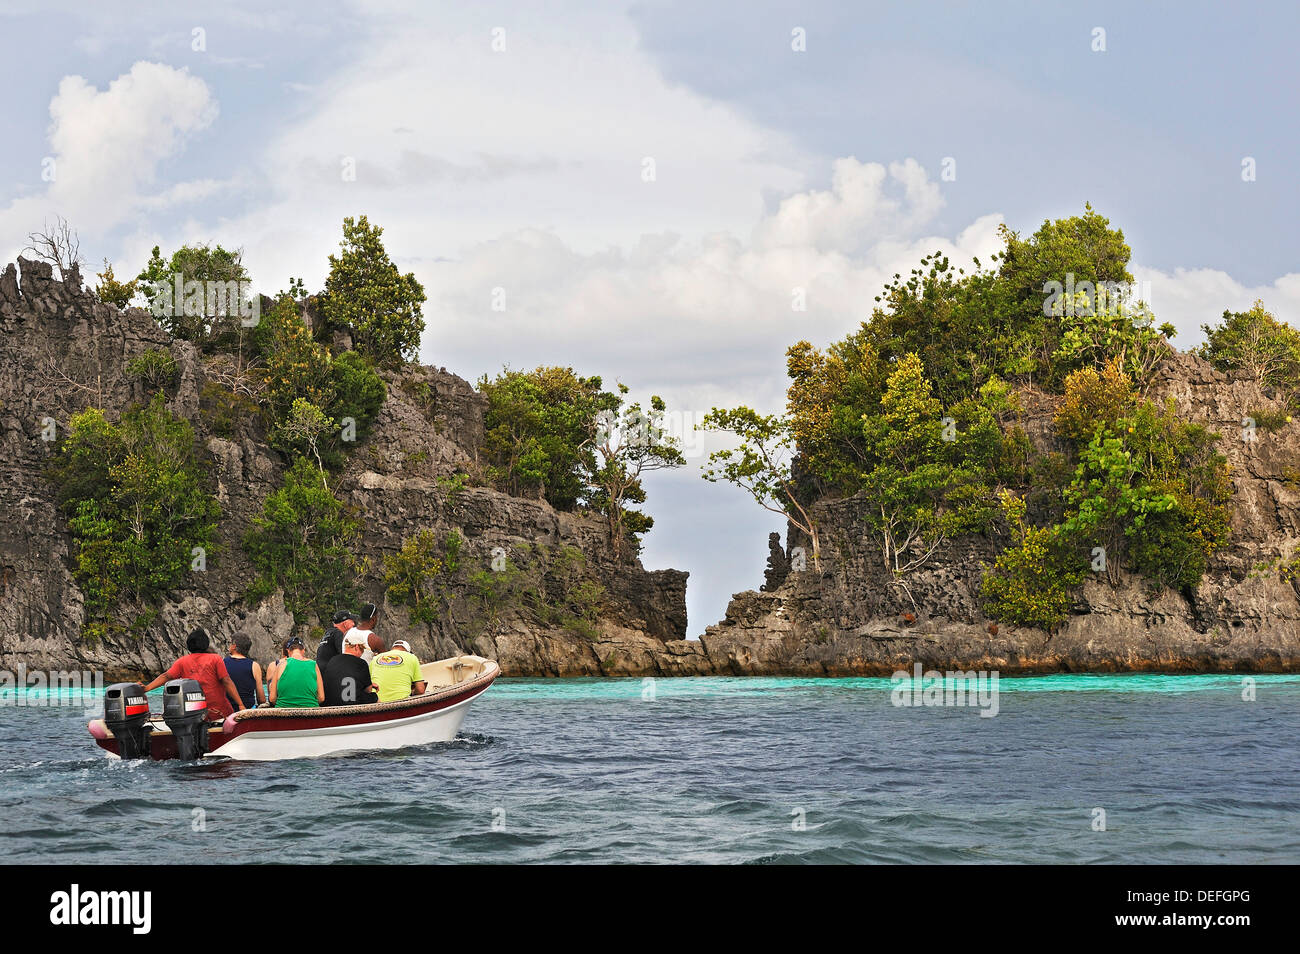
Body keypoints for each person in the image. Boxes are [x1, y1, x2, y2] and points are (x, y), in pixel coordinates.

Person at [141, 628, 246, 721]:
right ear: (206, 644)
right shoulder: (215, 658)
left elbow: (166, 676)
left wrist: (146, 688)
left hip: (193, 714)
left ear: (189, 645)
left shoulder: (182, 661)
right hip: (220, 713)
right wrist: (240, 704)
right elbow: (226, 681)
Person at [323, 631, 379, 706]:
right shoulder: (361, 663)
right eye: (362, 649)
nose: (362, 653)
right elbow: (368, 690)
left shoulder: (332, 660)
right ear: (356, 647)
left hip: (329, 704)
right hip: (352, 705)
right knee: (374, 697)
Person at [269, 636, 324, 708]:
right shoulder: (313, 665)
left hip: (283, 714)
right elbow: (321, 698)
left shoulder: (280, 666)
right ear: (303, 650)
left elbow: (272, 698)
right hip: (310, 712)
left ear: (288, 651)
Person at [223, 633, 266, 710]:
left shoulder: (222, 663)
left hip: (228, 710)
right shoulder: (254, 666)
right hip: (248, 710)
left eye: (230, 643)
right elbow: (261, 698)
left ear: (234, 646)